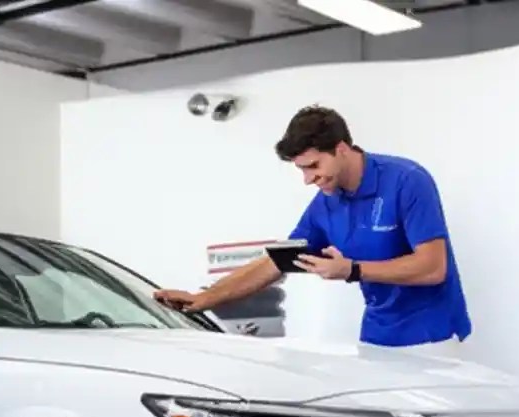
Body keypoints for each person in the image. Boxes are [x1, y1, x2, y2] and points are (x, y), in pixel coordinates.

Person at [154, 105, 472, 355]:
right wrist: (205, 299)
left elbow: (433, 267)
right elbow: (276, 262)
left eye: (314, 166)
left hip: (432, 337)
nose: (308, 179)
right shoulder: (326, 202)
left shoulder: (407, 180)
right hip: (377, 336)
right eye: (301, 170)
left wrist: (353, 269)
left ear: (342, 149)